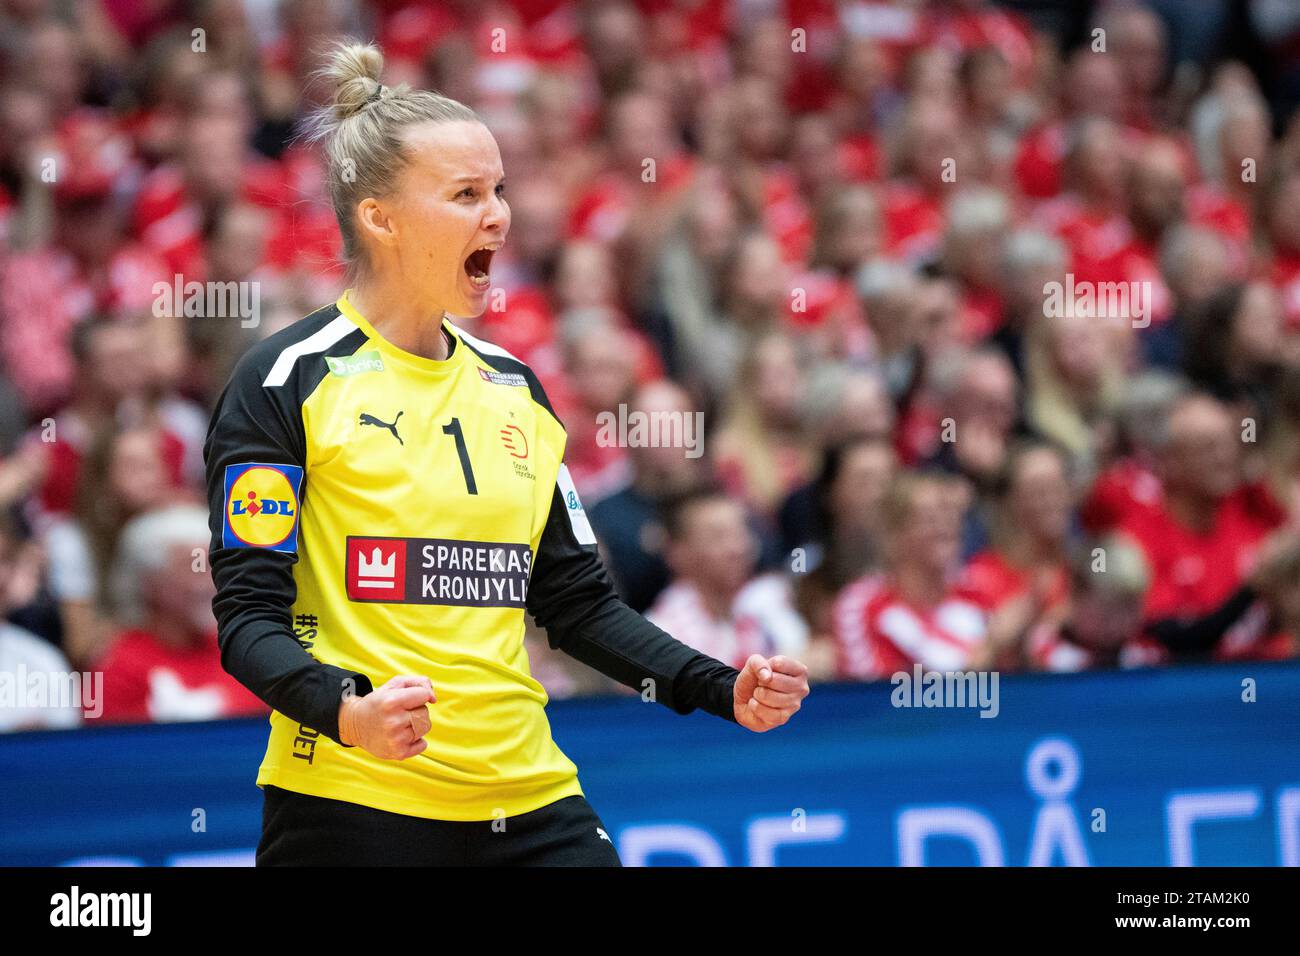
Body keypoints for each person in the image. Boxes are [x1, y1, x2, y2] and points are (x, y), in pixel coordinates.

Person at [203, 41, 809, 868]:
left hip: (528, 798)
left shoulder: (515, 387)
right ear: (380, 218)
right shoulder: (285, 380)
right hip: (354, 802)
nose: (498, 215)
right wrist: (347, 711)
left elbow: (577, 605)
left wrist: (716, 686)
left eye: (499, 190)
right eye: (464, 195)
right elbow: (247, 621)